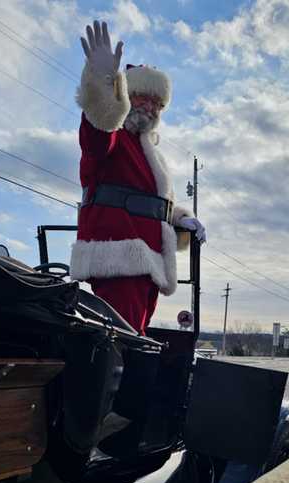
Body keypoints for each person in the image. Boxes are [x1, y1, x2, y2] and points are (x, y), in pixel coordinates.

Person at [69, 20, 206, 335]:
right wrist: (104, 85)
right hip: (119, 260)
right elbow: (98, 128)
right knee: (123, 340)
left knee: (137, 338)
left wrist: (180, 219)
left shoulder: (149, 151)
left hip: (148, 263)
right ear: (126, 96)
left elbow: (152, 203)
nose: (152, 108)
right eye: (143, 98)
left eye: (158, 104)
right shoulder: (112, 137)